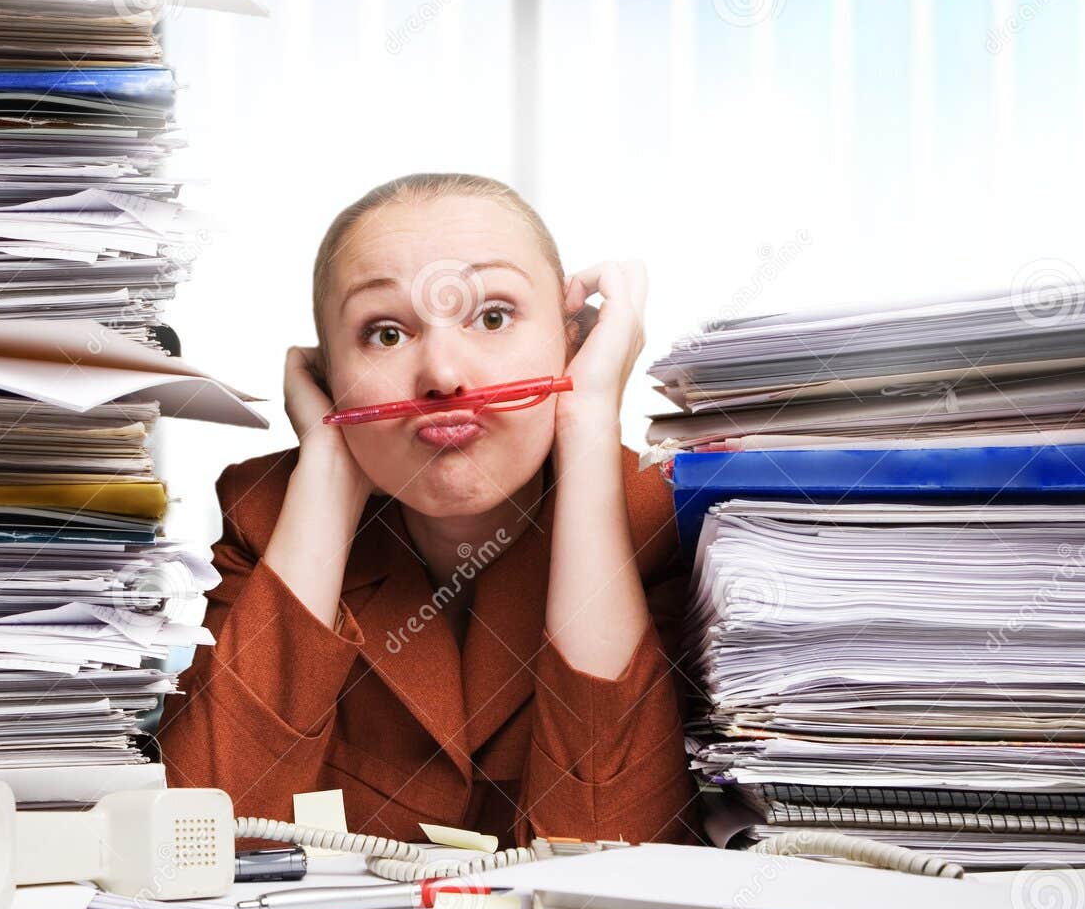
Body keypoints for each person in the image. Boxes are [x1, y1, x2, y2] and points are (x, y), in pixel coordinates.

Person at [157, 172, 697, 847]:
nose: (442, 375)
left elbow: (623, 879)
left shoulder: (664, 525)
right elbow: (203, 842)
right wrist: (327, 465)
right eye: (385, 334)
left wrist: (589, 419)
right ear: (328, 378)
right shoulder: (268, 521)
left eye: (493, 317)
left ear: (575, 342)